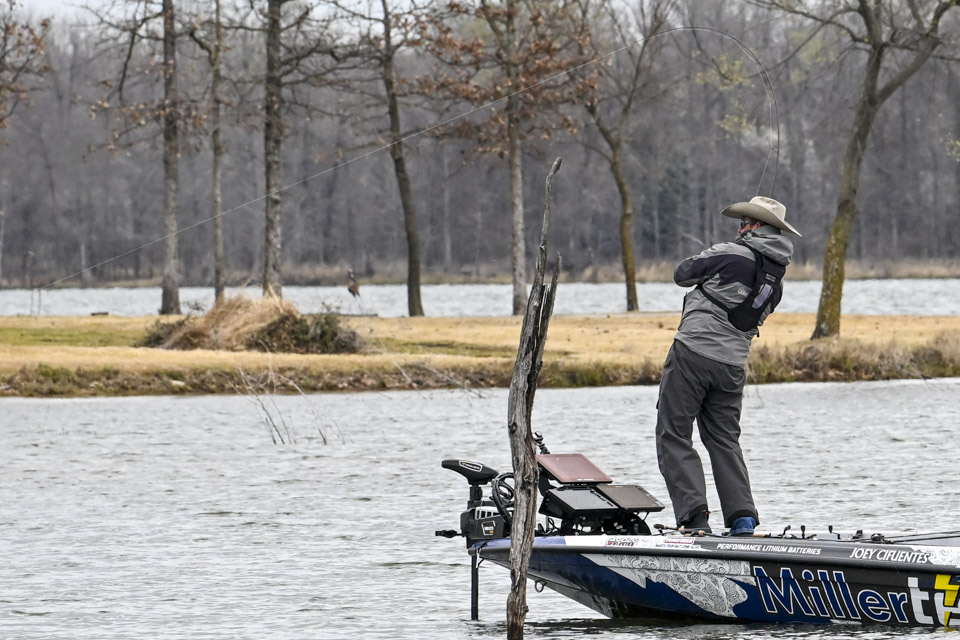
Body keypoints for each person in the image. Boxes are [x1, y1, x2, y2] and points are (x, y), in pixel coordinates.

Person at [655, 196, 800, 536]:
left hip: (692, 354)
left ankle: (694, 520)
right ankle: (743, 519)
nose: (740, 228)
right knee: (724, 440)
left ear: (757, 227)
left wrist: (716, 254)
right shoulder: (776, 282)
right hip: (733, 367)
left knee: (673, 434)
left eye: (745, 222)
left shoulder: (730, 252)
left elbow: (682, 273)